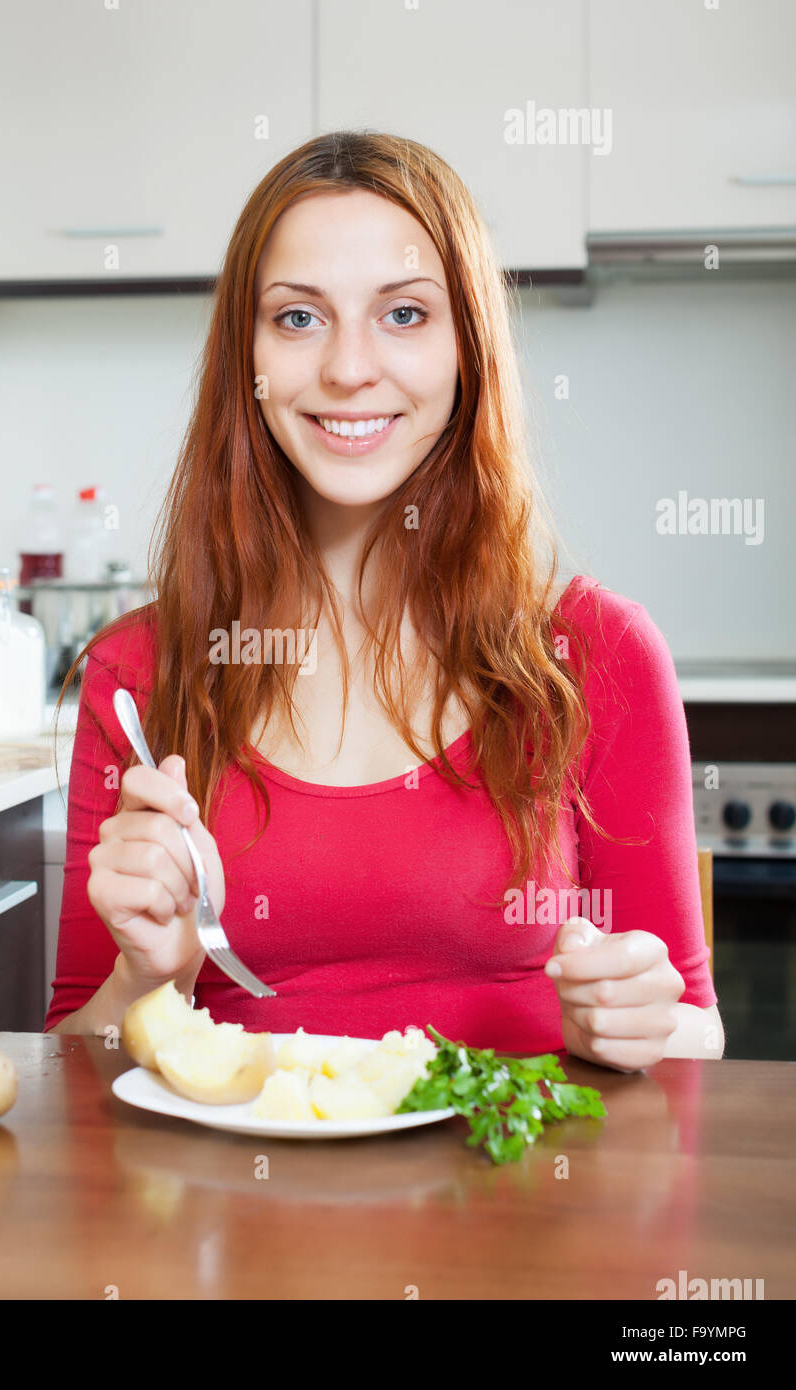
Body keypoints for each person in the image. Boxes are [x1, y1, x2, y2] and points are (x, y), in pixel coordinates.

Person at [44, 131, 722, 1071]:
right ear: (245, 354)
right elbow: (74, 1057)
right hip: (234, 1206)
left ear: (466, 350)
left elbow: (698, 1028)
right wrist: (152, 977)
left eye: (404, 315)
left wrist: (636, 1024)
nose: (349, 369)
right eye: (297, 319)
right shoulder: (138, 676)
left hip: (514, 1204)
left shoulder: (596, 651)